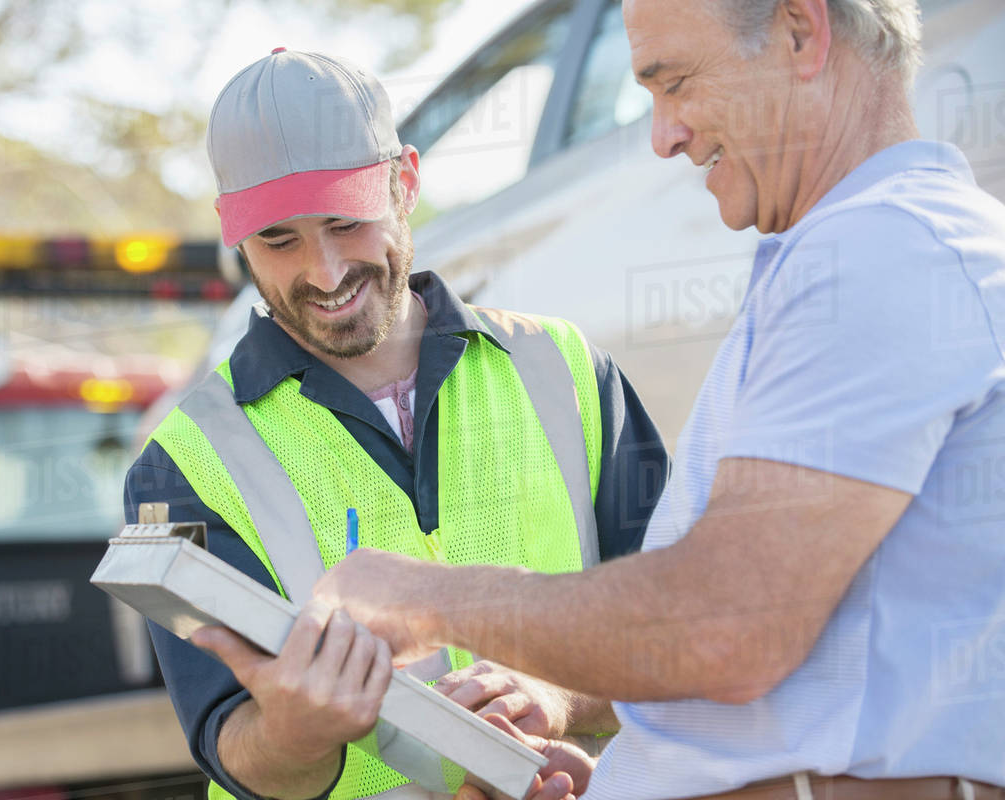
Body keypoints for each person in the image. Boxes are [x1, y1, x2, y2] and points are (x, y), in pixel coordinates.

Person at [312, 1, 1005, 798]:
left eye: (674, 83)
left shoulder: (884, 250)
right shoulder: (885, 248)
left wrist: (426, 599)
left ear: (801, 32)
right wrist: (613, 759)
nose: (663, 135)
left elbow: (729, 625)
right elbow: (823, 640)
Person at [122, 48, 670, 800]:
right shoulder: (175, 468)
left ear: (404, 182)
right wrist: (293, 728)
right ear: (236, 236)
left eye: (346, 222)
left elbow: (683, 632)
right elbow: (230, 745)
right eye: (279, 240)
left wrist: (562, 695)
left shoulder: (570, 371)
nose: (324, 271)